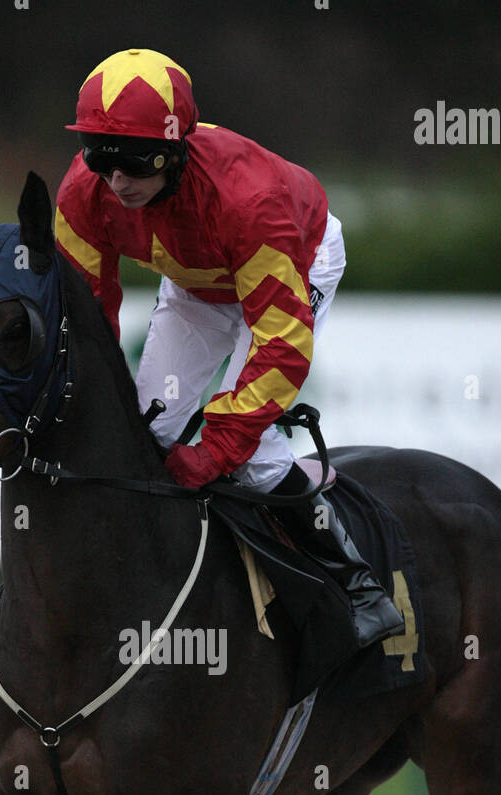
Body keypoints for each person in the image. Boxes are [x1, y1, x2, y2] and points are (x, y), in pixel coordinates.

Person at [55, 48, 403, 647]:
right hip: (198, 281)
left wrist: (214, 448)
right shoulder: (83, 193)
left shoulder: (250, 200)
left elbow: (283, 345)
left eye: (134, 161)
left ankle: (357, 586)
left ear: (174, 149)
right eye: (99, 156)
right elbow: (86, 320)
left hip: (298, 259)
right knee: (144, 432)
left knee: (249, 446)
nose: (115, 181)